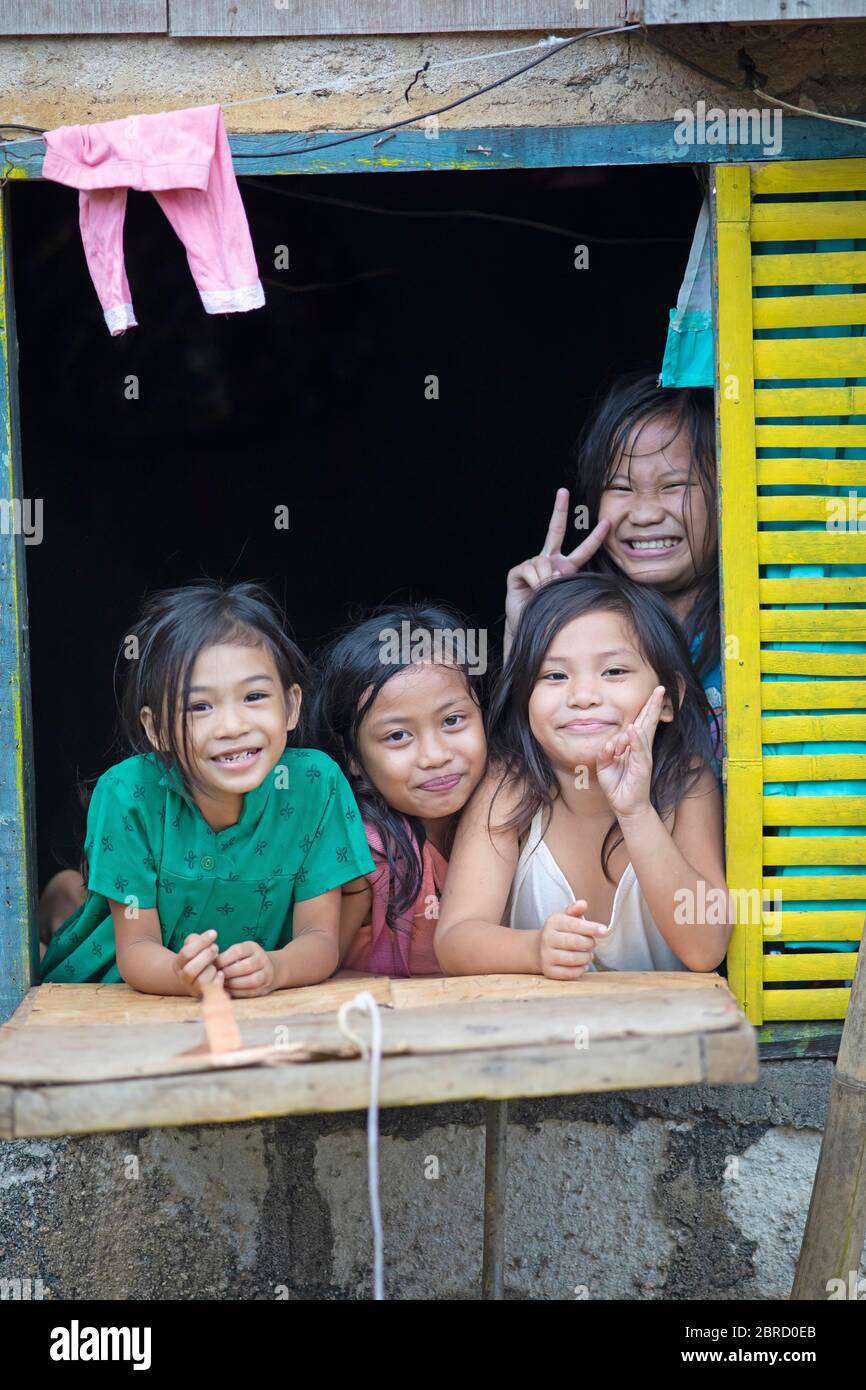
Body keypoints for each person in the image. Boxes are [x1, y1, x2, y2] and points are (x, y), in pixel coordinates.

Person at [40, 580, 374, 995]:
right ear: (156, 727)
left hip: (253, 1004)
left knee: (75, 892)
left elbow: (320, 940)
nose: (232, 726)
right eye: (200, 706)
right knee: (68, 919)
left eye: (254, 696)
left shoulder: (314, 783)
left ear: (291, 706)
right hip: (111, 994)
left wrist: (277, 968)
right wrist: (181, 976)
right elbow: (137, 948)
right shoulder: (127, 793)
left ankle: (66, 892)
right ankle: (59, 899)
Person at [436, 573, 730, 978]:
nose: (583, 696)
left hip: (663, 1038)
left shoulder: (685, 784)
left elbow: (706, 948)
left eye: (614, 672)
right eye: (555, 676)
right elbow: (455, 940)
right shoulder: (508, 788)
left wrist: (636, 812)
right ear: (525, 700)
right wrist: (533, 950)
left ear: (670, 699)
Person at [504, 374, 723, 749]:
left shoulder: (757, 625)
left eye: (673, 486)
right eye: (621, 488)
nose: (644, 514)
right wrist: (531, 626)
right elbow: (524, 762)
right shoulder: (581, 628)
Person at [313, 604, 488, 977]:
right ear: (354, 757)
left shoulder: (510, 813)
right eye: (397, 736)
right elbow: (319, 969)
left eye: (453, 720)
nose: (435, 756)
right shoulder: (362, 853)